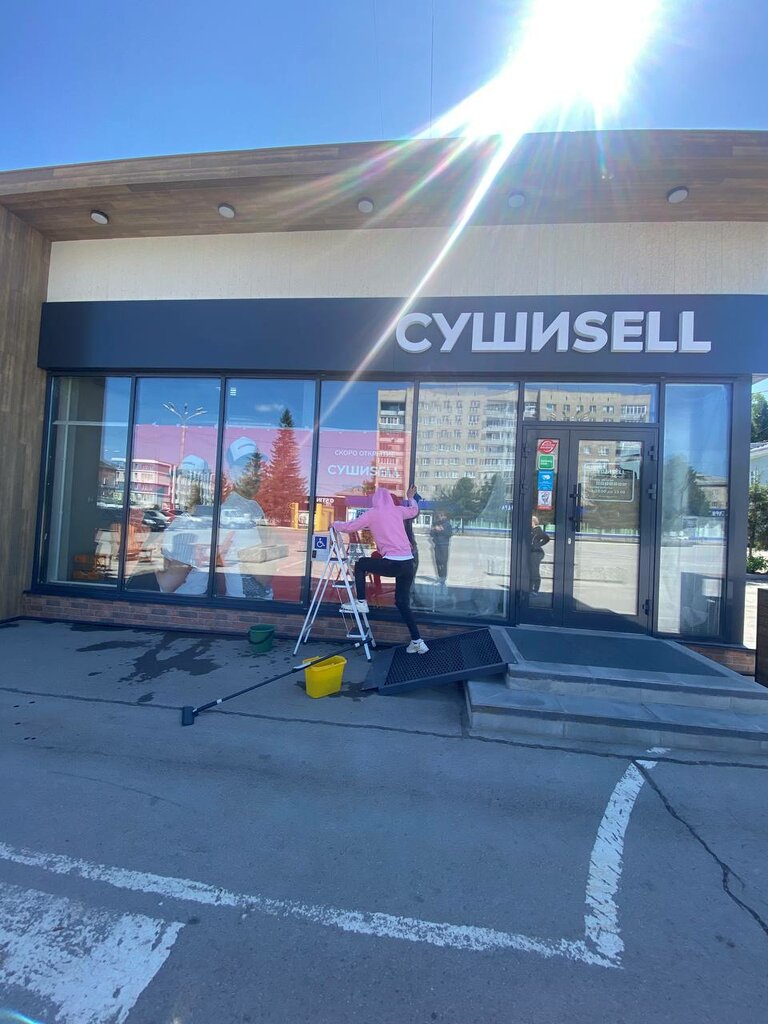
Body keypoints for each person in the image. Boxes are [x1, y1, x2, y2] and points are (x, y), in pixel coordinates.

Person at [333, 485, 429, 654]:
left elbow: (350, 526)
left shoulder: (373, 513)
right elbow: (414, 511)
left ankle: (362, 602)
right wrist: (410, 497)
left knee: (362, 563)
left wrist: (334, 524)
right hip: (408, 564)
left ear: (376, 500)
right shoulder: (398, 510)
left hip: (392, 563)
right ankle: (418, 642)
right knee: (401, 602)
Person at [430, 511, 453, 586]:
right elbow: (431, 534)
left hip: (444, 545)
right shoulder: (436, 524)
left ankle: (443, 578)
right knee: (438, 561)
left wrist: (442, 530)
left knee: (443, 562)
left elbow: (449, 534)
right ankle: (440, 577)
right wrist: (434, 529)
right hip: (437, 545)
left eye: (441, 516)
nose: (439, 517)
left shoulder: (447, 525)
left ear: (444, 516)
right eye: (439, 516)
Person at [529, 515, 550, 594]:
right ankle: (530, 588)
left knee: (535, 571)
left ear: (533, 522)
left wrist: (538, 545)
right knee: (531, 571)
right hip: (532, 552)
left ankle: (535, 589)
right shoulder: (531, 530)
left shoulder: (538, 530)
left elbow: (547, 538)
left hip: (536, 553)